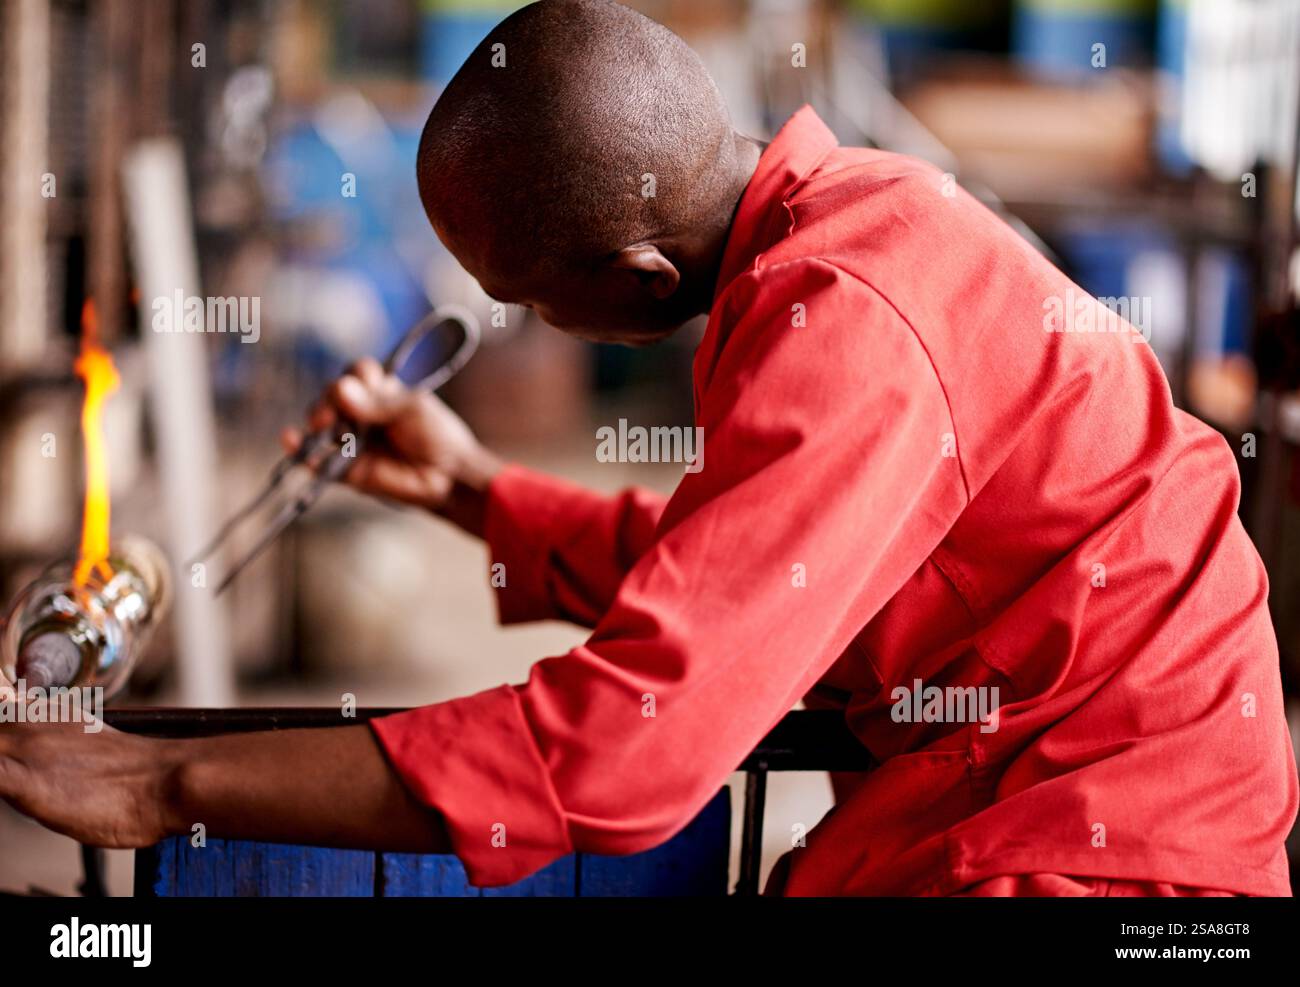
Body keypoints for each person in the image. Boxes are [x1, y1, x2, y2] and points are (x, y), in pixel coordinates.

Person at [1, 0, 1295, 896]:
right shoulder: (844, 230)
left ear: (635, 276)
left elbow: (622, 752)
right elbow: (741, 579)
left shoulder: (854, 321)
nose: (525, 323)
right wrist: (470, 491)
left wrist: (168, 782)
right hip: (1022, 794)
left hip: (1093, 847)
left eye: (527, 294)